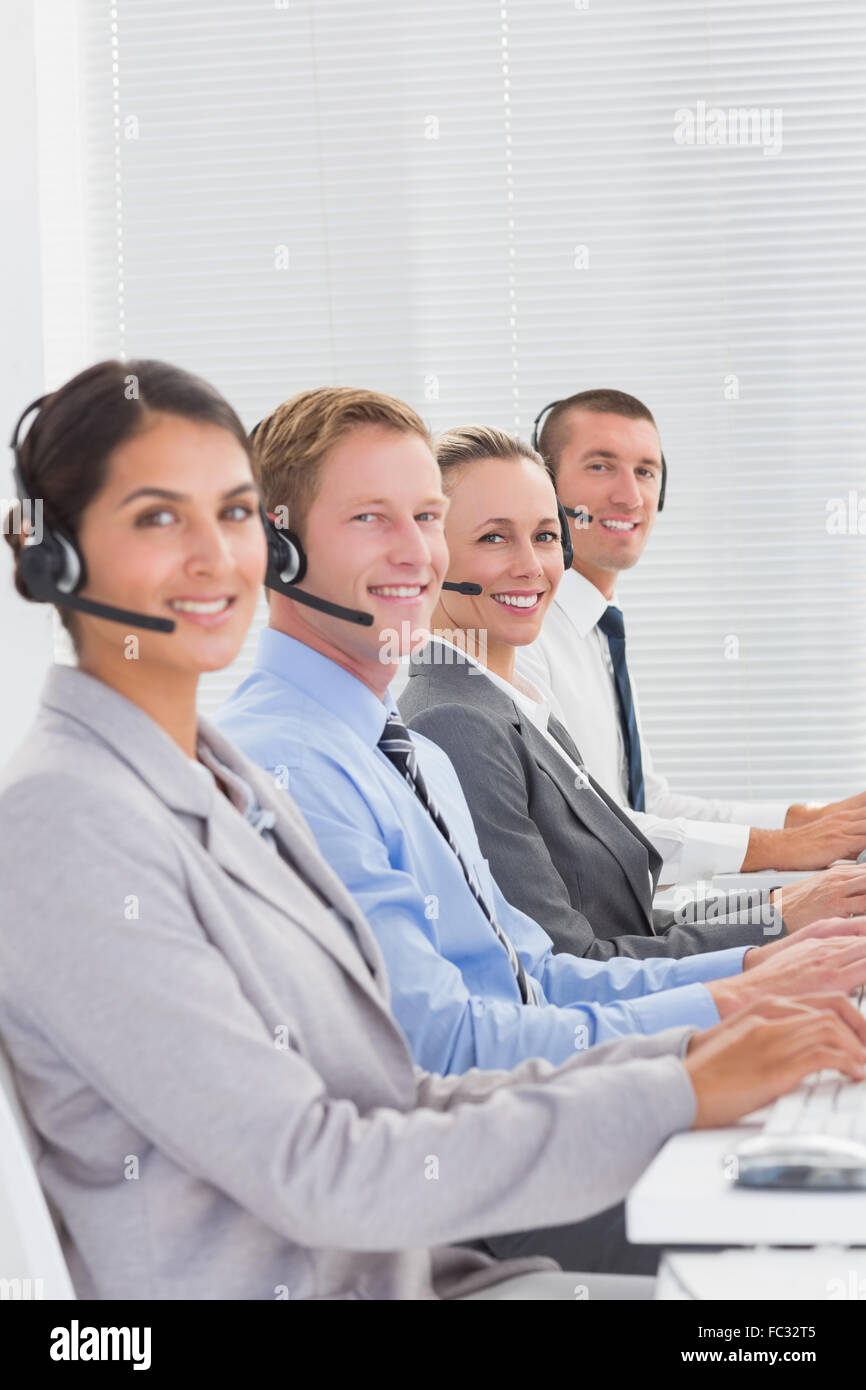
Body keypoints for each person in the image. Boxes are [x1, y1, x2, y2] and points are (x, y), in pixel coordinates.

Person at [2, 358, 820, 1302]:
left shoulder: (211, 777)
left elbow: (395, 1083)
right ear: (51, 553)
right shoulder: (69, 819)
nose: (215, 556)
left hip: (423, 1266)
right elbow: (320, 1163)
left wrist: (709, 1042)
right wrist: (684, 1078)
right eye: (157, 516)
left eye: (231, 514)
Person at [214, 383, 866, 1272]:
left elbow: (537, 981)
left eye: (427, 518)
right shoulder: (287, 766)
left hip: (538, 1121)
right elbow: (438, 1052)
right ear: (272, 548)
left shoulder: (406, 752)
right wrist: (713, 1024)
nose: (416, 553)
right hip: (471, 1194)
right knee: (830, 1240)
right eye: (372, 518)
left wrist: (750, 975)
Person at [397, 425, 866, 956]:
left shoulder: (515, 699)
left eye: (546, 536)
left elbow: (624, 913)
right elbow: (569, 967)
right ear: (427, 557)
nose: (531, 566)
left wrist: (789, 906)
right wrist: (775, 922)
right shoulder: (454, 723)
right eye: (493, 537)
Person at [517, 389, 866, 883]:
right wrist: (787, 846)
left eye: (646, 471)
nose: (630, 495)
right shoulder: (525, 635)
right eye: (601, 466)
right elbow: (588, 832)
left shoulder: (599, 630)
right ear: (546, 489)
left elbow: (648, 802)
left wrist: (810, 820)